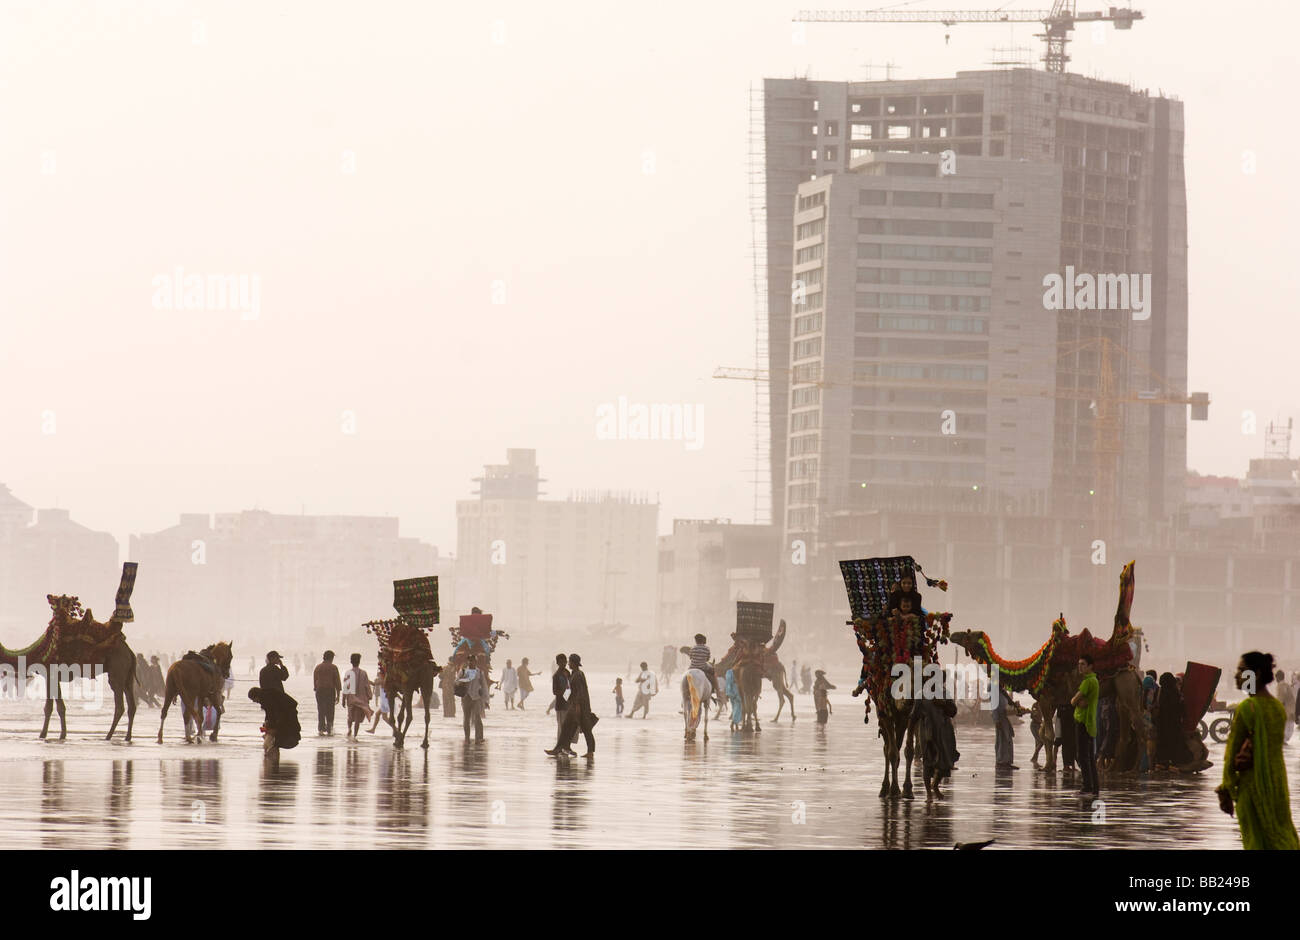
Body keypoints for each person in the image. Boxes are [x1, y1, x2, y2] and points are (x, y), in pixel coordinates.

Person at [1217, 651, 1300, 850]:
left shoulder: (1248, 708)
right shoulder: (1277, 709)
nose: (1237, 676)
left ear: (1257, 675)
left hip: (1251, 791)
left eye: (1241, 671)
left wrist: (1227, 790)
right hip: (1277, 788)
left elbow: (1231, 756)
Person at [250, 650, 299, 761]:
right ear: (272, 659)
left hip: (266, 700)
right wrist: (282, 666)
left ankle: (271, 744)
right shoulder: (275, 669)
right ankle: (274, 746)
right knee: (278, 724)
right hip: (279, 702)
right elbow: (285, 676)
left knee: (269, 722)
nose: (278, 661)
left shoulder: (262, 671)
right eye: (277, 659)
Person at [550, 653, 595, 759]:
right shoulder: (574, 673)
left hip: (579, 706)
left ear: (573, 663)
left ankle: (590, 752)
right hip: (574, 705)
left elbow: (579, 692)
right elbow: (570, 691)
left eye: (569, 661)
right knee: (567, 727)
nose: (568, 663)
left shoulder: (578, 675)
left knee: (586, 729)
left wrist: (578, 706)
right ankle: (561, 748)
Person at [1071, 653, 1100, 798]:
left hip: (1083, 722)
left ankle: (1087, 788)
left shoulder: (1088, 682)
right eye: (1079, 664)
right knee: (1089, 757)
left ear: (1090, 666)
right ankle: (1094, 788)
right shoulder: (1094, 680)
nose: (1080, 667)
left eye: (1083, 664)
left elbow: (1073, 701)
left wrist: (1075, 701)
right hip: (1090, 723)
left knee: (1082, 756)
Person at [1155, 671, 1192, 770]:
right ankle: (1175, 763)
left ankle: (1162, 762)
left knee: (1163, 742)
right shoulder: (1175, 693)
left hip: (1162, 723)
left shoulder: (1160, 692)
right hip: (1173, 723)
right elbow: (1180, 707)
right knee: (1174, 742)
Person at [343, 653, 373, 738]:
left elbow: (346, 688)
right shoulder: (363, 673)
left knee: (350, 717)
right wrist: (369, 696)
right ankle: (355, 736)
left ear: (351, 662)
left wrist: (343, 699)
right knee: (357, 719)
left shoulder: (348, 673)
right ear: (359, 662)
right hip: (361, 699)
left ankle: (349, 729)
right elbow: (367, 685)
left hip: (351, 699)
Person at [461, 654, 489, 743]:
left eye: (472, 660)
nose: (470, 662)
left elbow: (484, 686)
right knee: (466, 718)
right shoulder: (463, 671)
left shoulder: (479, 672)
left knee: (477, 717)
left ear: (475, 662)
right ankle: (467, 738)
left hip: (476, 698)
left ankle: (478, 738)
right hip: (466, 698)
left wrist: (486, 700)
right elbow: (457, 682)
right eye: (469, 660)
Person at [313, 651, 341, 736]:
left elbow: (315, 681)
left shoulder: (318, 667)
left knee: (321, 710)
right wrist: (338, 695)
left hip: (320, 690)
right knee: (330, 710)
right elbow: (337, 682)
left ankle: (321, 729)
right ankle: (329, 728)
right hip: (330, 690)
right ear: (331, 658)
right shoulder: (333, 667)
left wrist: (316, 688)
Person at [547, 653, 571, 752]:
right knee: (561, 727)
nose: (563, 663)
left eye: (565, 661)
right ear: (557, 663)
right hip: (560, 705)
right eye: (561, 662)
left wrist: (568, 694)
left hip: (568, 705)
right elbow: (554, 691)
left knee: (568, 727)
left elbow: (571, 687)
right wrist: (564, 693)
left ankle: (566, 747)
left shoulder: (567, 673)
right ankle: (560, 748)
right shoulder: (556, 676)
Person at [993, 684, 1018, 770]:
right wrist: (996, 720)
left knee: (1007, 739)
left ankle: (1006, 761)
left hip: (1004, 717)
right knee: (1001, 739)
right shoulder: (995, 691)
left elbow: (1009, 703)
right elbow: (994, 707)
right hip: (1000, 718)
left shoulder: (1002, 692)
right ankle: (1001, 761)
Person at [366, 663, 395, 734]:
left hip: (385, 701)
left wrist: (367, 680)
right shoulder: (383, 680)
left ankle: (395, 728)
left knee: (384, 717)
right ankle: (373, 729)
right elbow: (374, 683)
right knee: (378, 715)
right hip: (385, 701)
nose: (378, 676)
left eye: (379, 675)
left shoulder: (382, 680)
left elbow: (375, 683)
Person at [1276, 669, 1294, 744]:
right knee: (1287, 733)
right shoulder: (1287, 685)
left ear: (1278, 677)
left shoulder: (1281, 685)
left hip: (1286, 711)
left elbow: (1281, 699)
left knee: (1283, 735)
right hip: (1291, 710)